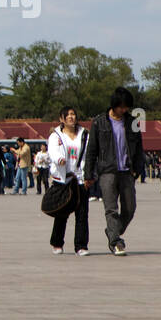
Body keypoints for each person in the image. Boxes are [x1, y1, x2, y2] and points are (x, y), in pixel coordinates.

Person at [83, 86, 143, 256]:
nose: (124, 110)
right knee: (111, 208)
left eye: (127, 107)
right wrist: (89, 174)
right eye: (121, 106)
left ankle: (112, 231)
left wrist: (136, 170)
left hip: (126, 172)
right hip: (107, 171)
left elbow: (139, 148)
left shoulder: (133, 122)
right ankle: (116, 242)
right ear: (114, 104)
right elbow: (91, 150)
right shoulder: (99, 122)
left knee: (130, 208)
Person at [47, 107, 90, 256]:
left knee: (82, 213)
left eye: (73, 114)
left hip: (80, 178)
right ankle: (57, 243)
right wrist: (59, 159)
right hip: (63, 179)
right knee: (62, 212)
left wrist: (90, 174)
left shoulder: (84, 135)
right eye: (68, 115)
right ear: (62, 119)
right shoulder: (56, 136)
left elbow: (89, 155)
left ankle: (81, 245)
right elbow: (52, 151)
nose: (71, 117)